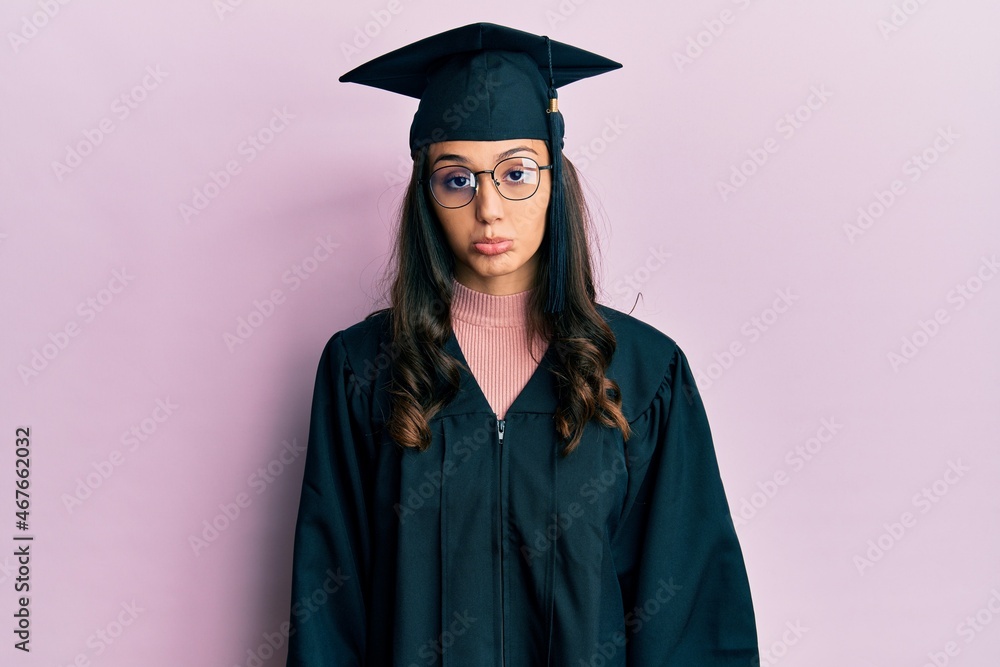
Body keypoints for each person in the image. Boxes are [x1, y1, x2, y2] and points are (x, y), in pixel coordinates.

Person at [284, 22, 759, 666]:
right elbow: (329, 611)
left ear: (555, 180)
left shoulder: (645, 373)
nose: (489, 209)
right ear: (426, 197)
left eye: (516, 173)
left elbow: (692, 610)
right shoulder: (363, 370)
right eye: (457, 179)